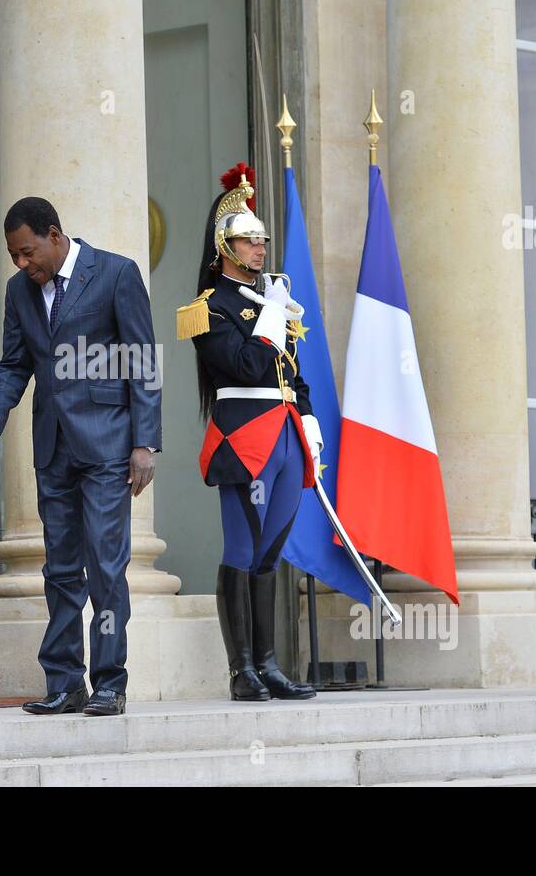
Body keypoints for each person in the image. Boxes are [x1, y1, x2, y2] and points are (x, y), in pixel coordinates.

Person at [0, 197, 162, 717]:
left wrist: (145, 443)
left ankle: (110, 682)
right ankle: (66, 681)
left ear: (53, 234)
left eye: (28, 252)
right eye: (14, 257)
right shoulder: (18, 291)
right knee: (61, 569)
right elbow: (14, 364)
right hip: (52, 448)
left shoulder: (116, 274)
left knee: (107, 567)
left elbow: (142, 360)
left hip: (108, 445)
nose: (23, 264)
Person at [176, 164, 317, 702]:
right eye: (248, 240)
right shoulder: (207, 309)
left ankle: (268, 662)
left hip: (284, 433)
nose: (260, 249)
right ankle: (241, 670)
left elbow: (290, 375)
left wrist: (308, 419)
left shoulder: (272, 304)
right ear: (224, 246)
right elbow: (245, 367)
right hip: (245, 434)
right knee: (242, 546)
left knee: (270, 551)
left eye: (261, 240)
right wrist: (270, 317)